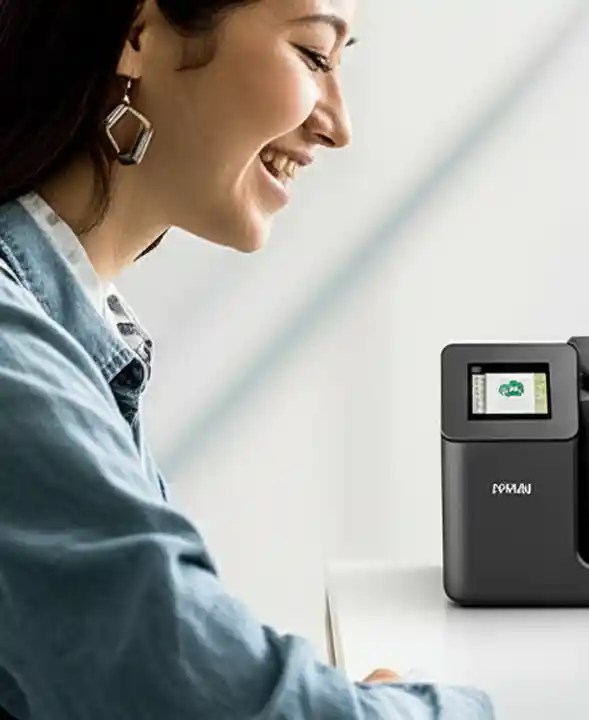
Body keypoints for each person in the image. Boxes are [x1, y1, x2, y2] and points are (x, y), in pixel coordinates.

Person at [0, 2, 492, 718]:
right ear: (138, 36)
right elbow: (216, 699)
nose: (338, 124)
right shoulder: (14, 354)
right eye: (314, 57)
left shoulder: (72, 337)